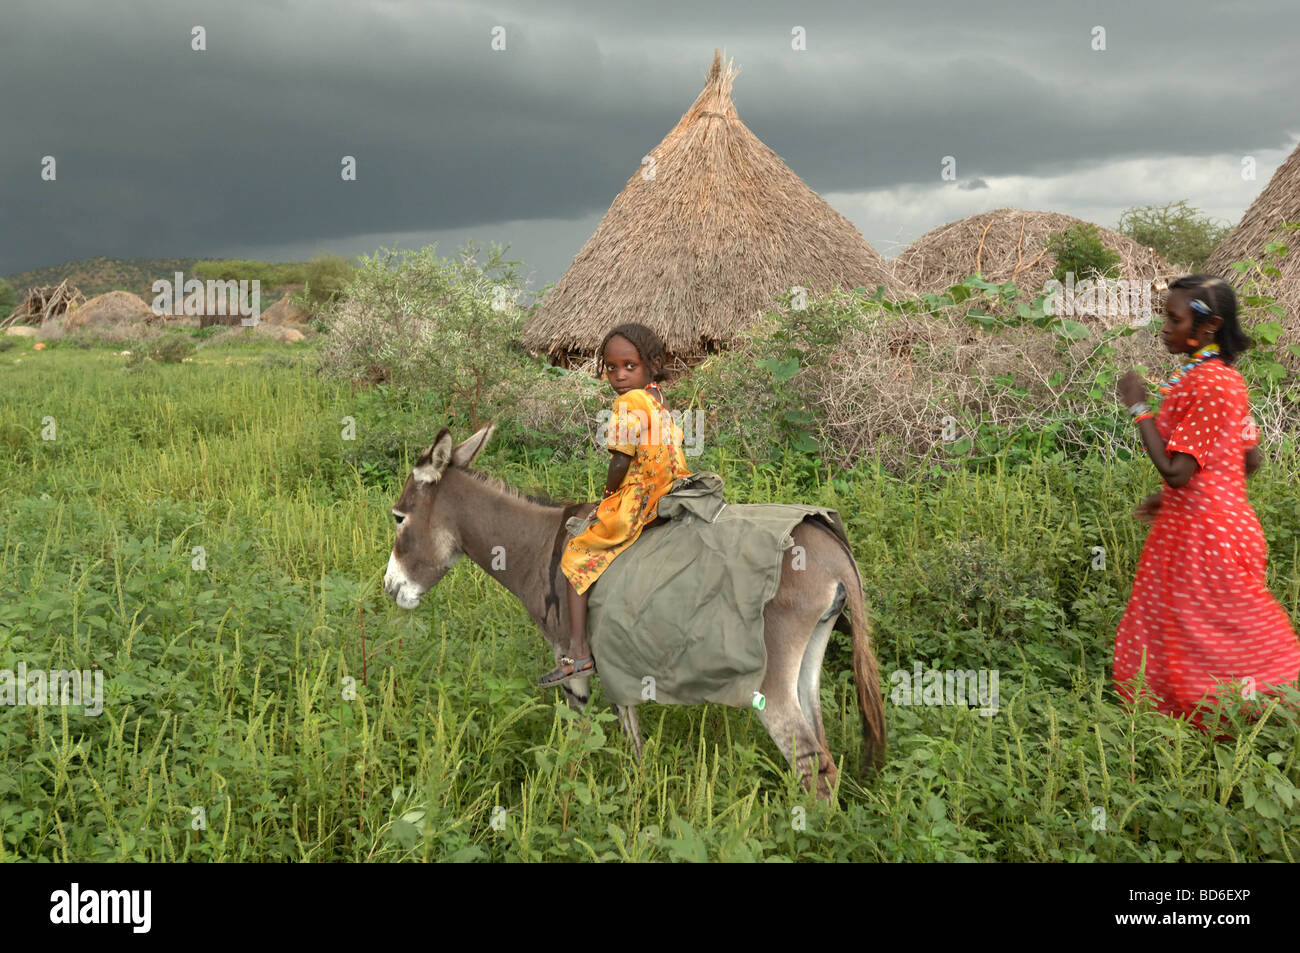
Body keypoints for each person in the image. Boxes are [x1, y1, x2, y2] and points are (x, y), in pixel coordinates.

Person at [1113, 274, 1300, 729]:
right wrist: (1186, 498)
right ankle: (1197, 715)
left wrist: (1139, 408)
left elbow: (1178, 471)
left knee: (1224, 633)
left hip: (1209, 538)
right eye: (1165, 316)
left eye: (1173, 319)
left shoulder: (1214, 384)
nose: (1164, 327)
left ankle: (1265, 708)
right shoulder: (1212, 378)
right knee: (1192, 629)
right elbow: (1247, 458)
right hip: (1201, 525)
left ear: (1210, 325)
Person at [539, 322, 691, 688]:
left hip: (643, 499)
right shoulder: (658, 399)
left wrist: (608, 498)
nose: (619, 376)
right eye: (611, 368)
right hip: (673, 491)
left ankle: (578, 653)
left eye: (629, 366)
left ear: (651, 365)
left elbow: (621, 462)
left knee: (575, 553)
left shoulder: (626, 403)